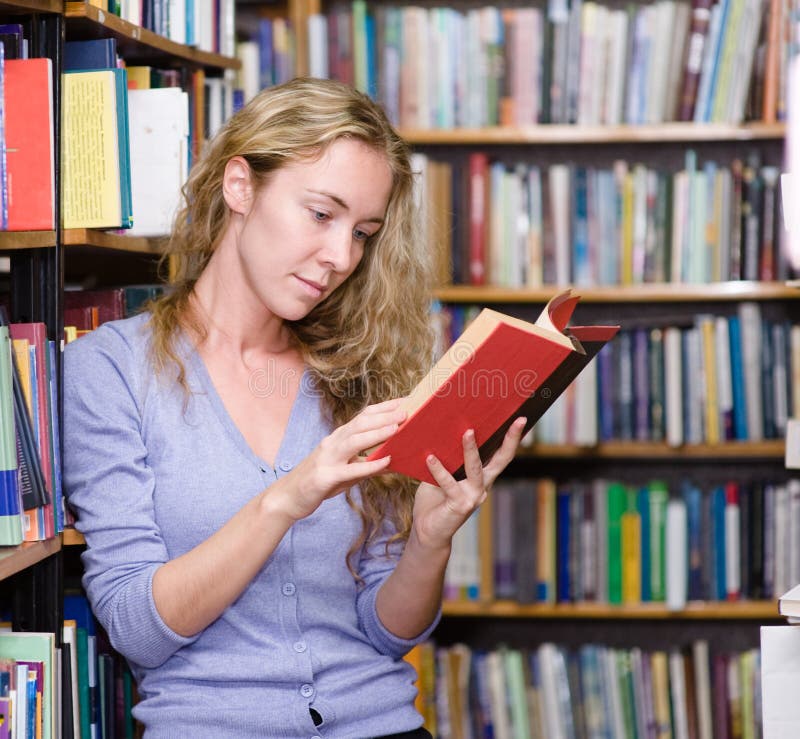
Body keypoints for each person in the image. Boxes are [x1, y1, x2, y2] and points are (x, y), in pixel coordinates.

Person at [63, 77, 526, 738]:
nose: (341, 256)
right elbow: (137, 627)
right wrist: (290, 494)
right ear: (241, 186)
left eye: (363, 232)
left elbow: (387, 632)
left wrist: (430, 540)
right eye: (320, 213)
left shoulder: (357, 373)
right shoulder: (109, 369)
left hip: (381, 723)